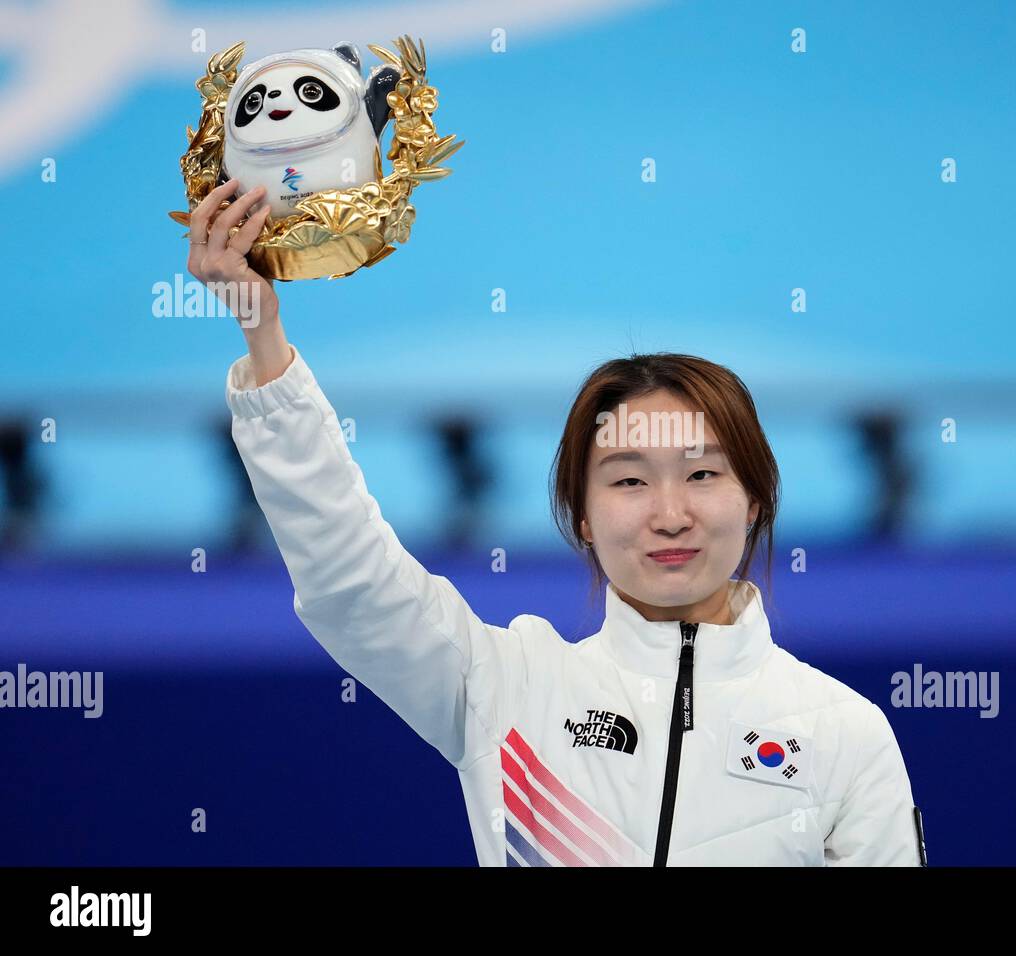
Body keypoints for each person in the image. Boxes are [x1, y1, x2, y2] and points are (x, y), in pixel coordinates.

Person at [188, 179, 926, 867]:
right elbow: (347, 575)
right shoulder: (505, 689)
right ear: (581, 515)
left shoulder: (841, 735)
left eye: (702, 474)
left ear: (756, 497)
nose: (671, 515)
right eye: (630, 481)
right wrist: (264, 335)